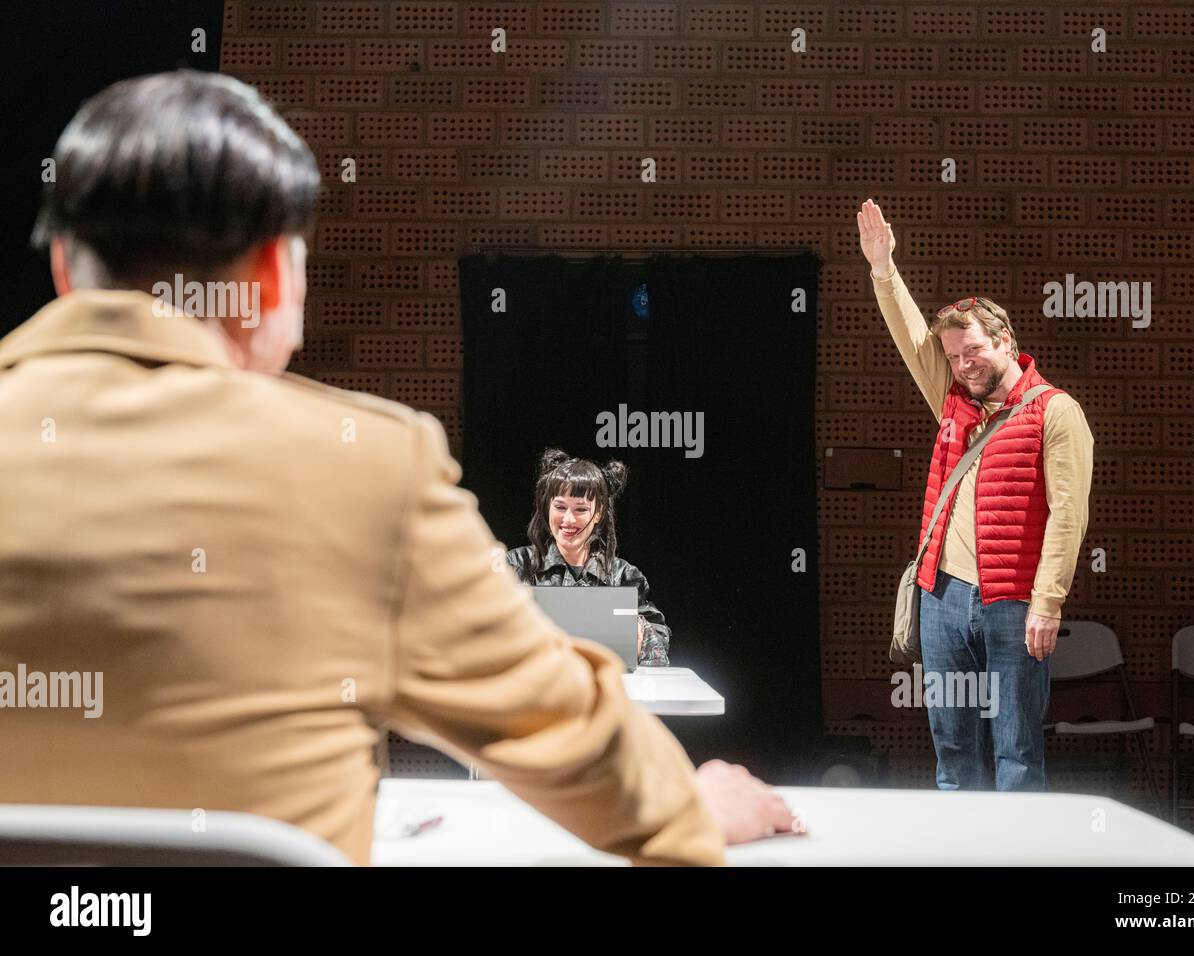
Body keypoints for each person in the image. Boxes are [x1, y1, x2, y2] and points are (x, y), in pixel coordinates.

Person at [0, 69, 797, 866]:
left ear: (67, 269)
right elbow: (563, 734)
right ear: (278, 275)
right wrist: (685, 805)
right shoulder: (369, 469)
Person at [856, 198, 1095, 791]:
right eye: (955, 357)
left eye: (975, 352)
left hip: (1014, 603)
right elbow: (914, 341)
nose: (963, 365)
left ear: (1006, 340)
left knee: (1017, 752)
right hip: (942, 597)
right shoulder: (954, 401)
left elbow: (1068, 517)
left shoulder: (1055, 412)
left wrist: (1049, 600)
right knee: (953, 753)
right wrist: (885, 271)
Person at [505, 449, 670, 667]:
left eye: (581, 509)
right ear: (547, 507)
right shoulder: (516, 566)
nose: (568, 519)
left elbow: (658, 638)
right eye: (560, 507)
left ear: (599, 513)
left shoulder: (623, 575)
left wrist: (641, 634)